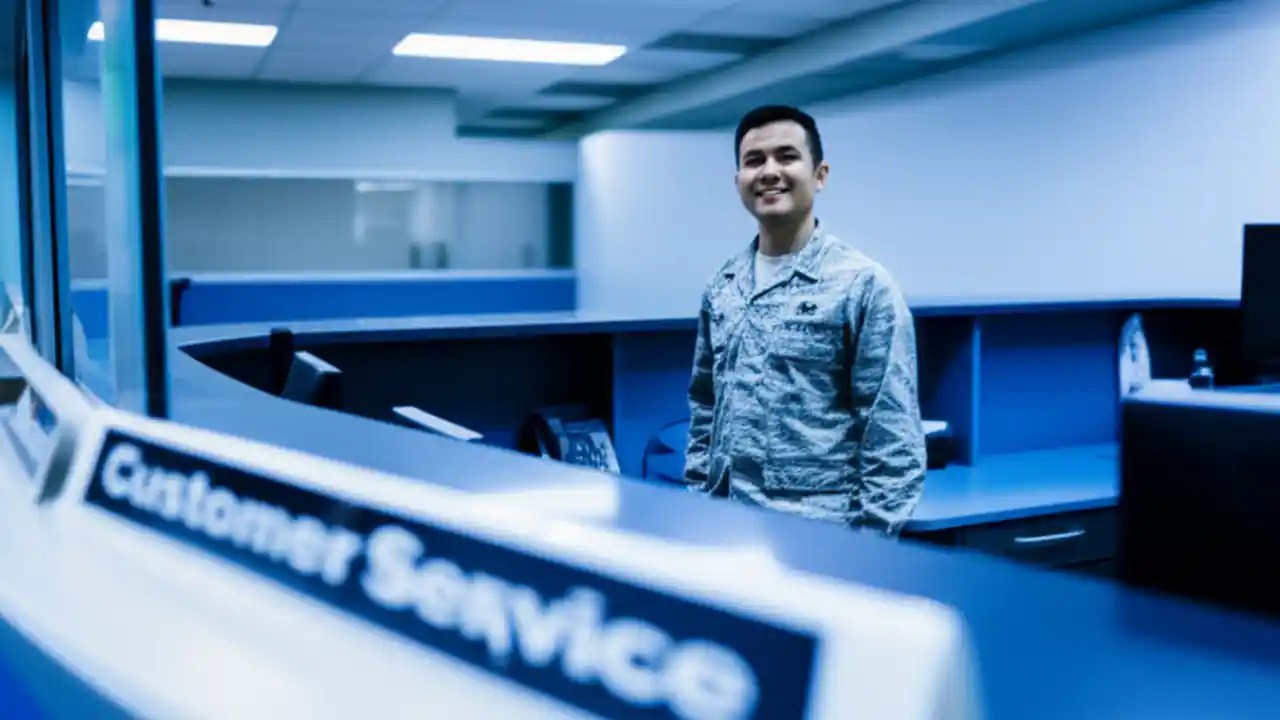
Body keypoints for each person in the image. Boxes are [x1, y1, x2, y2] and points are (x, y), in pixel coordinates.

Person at [682, 104, 926, 536]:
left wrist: (871, 548)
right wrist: (699, 504)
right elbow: (705, 406)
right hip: (726, 533)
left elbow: (893, 437)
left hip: (821, 538)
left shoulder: (861, 285)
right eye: (753, 161)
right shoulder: (723, 285)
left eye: (787, 156)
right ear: (737, 181)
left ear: (820, 174)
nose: (769, 171)